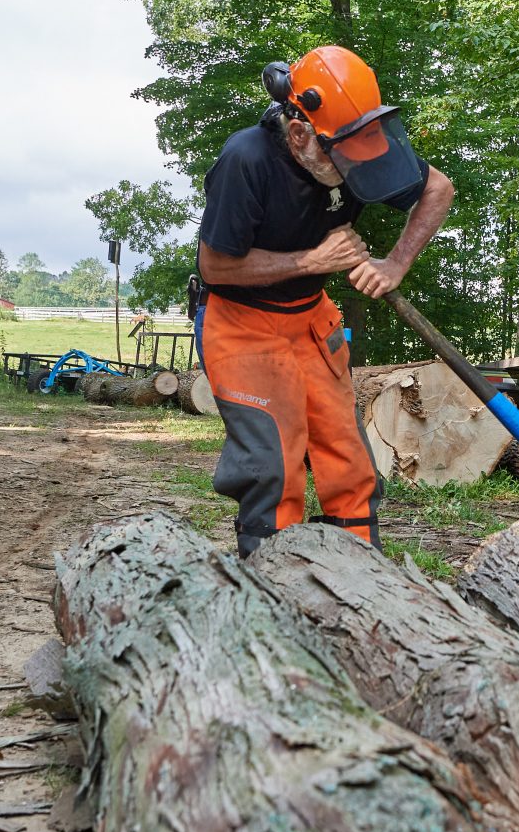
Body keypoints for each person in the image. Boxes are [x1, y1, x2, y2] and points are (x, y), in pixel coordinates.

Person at [194, 45, 455, 556]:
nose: (357, 165)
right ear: (300, 134)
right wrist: (312, 261)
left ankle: (359, 572)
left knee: (348, 457)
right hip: (240, 322)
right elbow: (215, 266)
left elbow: (438, 189)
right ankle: (273, 580)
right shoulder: (246, 161)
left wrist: (394, 263)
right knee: (273, 465)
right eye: (343, 154)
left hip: (311, 319)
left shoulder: (361, 142)